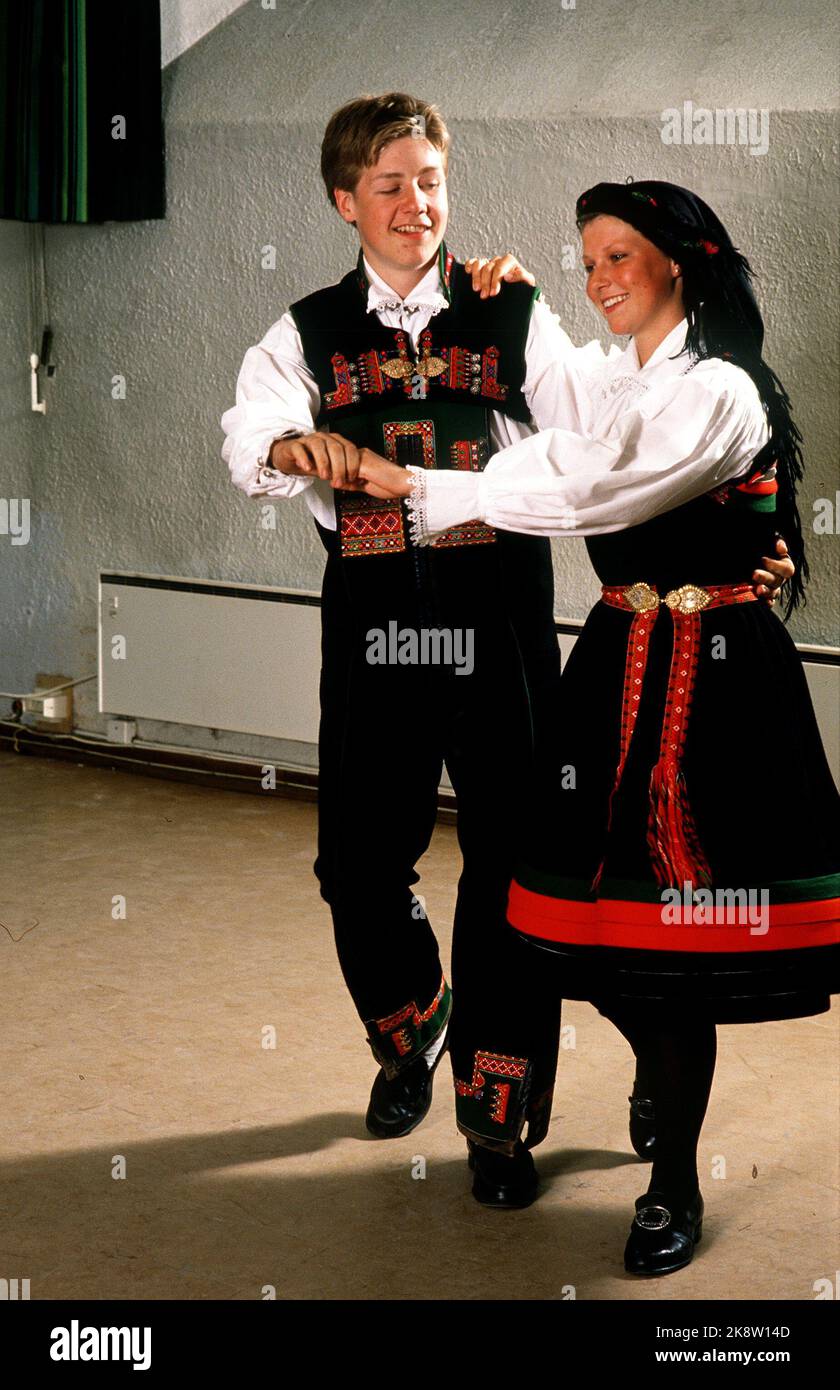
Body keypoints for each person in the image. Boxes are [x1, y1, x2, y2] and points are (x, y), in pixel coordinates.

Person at [354, 179, 839, 1271]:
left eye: (620, 255)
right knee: (586, 925)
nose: (600, 275)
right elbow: (573, 395)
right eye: (587, 258)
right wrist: (520, 298)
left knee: (678, 943)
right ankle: (653, 1078)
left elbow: (600, 488)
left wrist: (427, 487)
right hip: (619, 664)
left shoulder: (718, 388)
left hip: (714, 685)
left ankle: (673, 1181)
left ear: (682, 262)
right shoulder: (630, 375)